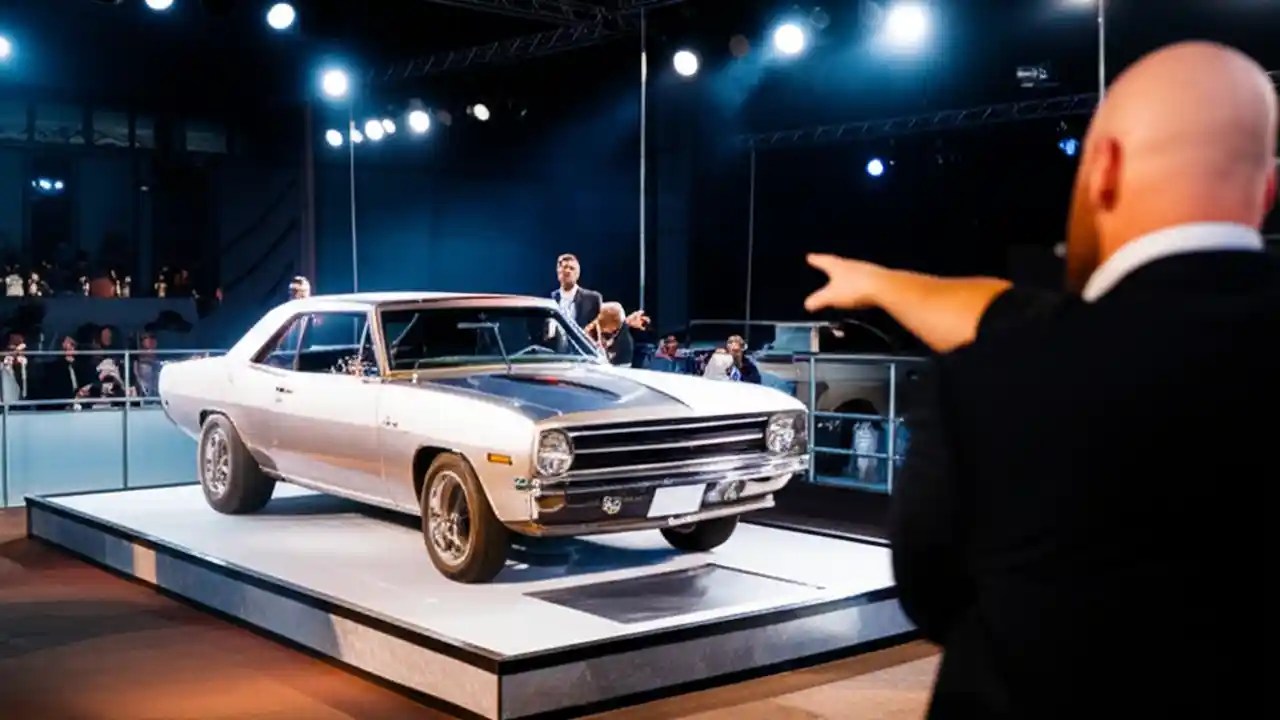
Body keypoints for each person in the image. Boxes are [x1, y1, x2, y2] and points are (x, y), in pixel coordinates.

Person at [805, 41, 1277, 718]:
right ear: (1267, 191)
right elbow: (997, 307)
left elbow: (934, 593)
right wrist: (884, 284)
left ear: (1104, 168)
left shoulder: (989, 382)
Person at [551, 254, 603, 328]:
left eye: (572, 268)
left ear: (578, 274)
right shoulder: (550, 299)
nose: (567, 271)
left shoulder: (592, 299)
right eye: (565, 267)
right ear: (558, 271)